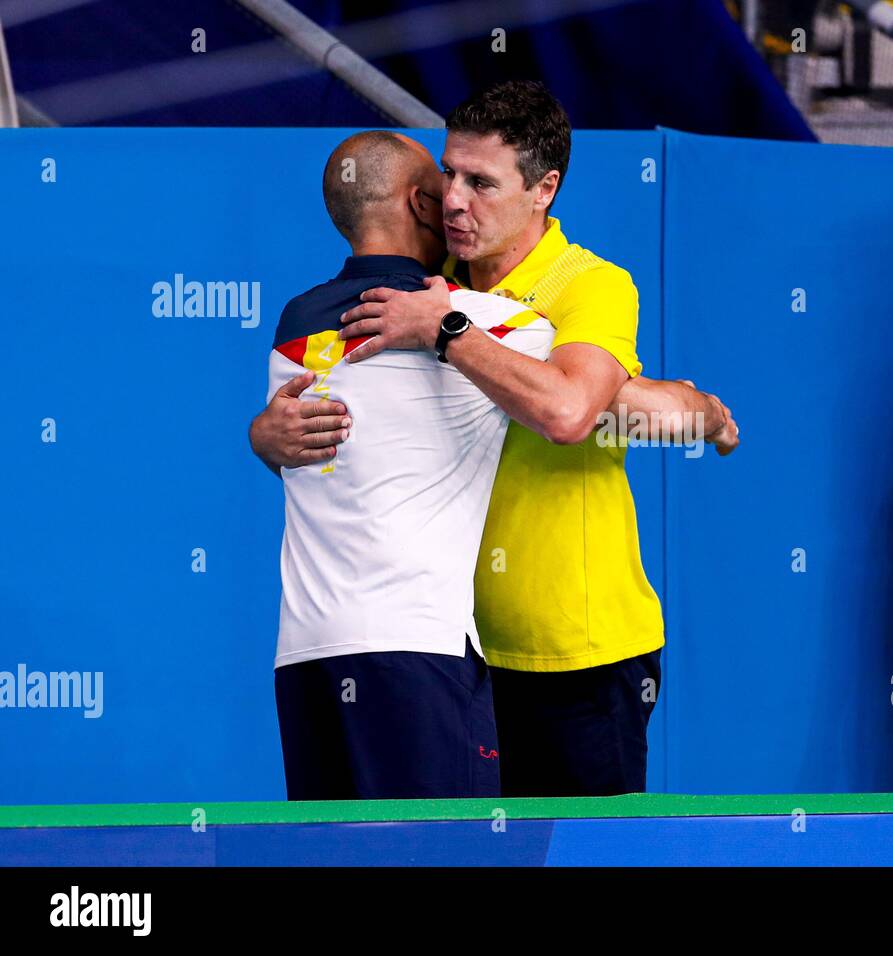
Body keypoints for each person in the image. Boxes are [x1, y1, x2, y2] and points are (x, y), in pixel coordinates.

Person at [252, 82, 739, 797]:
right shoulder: (424, 282)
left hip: (575, 650)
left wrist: (449, 334)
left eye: (481, 183)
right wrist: (268, 436)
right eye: (449, 174)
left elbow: (575, 412)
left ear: (543, 189)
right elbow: (353, 425)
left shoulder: (590, 286)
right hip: (456, 653)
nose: (453, 199)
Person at [264, 130, 554, 799]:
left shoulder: (292, 331)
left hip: (306, 658)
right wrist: (697, 406)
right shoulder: (498, 325)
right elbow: (581, 402)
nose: (457, 203)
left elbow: (294, 449)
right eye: (447, 188)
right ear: (423, 205)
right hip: (418, 655)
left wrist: (258, 436)